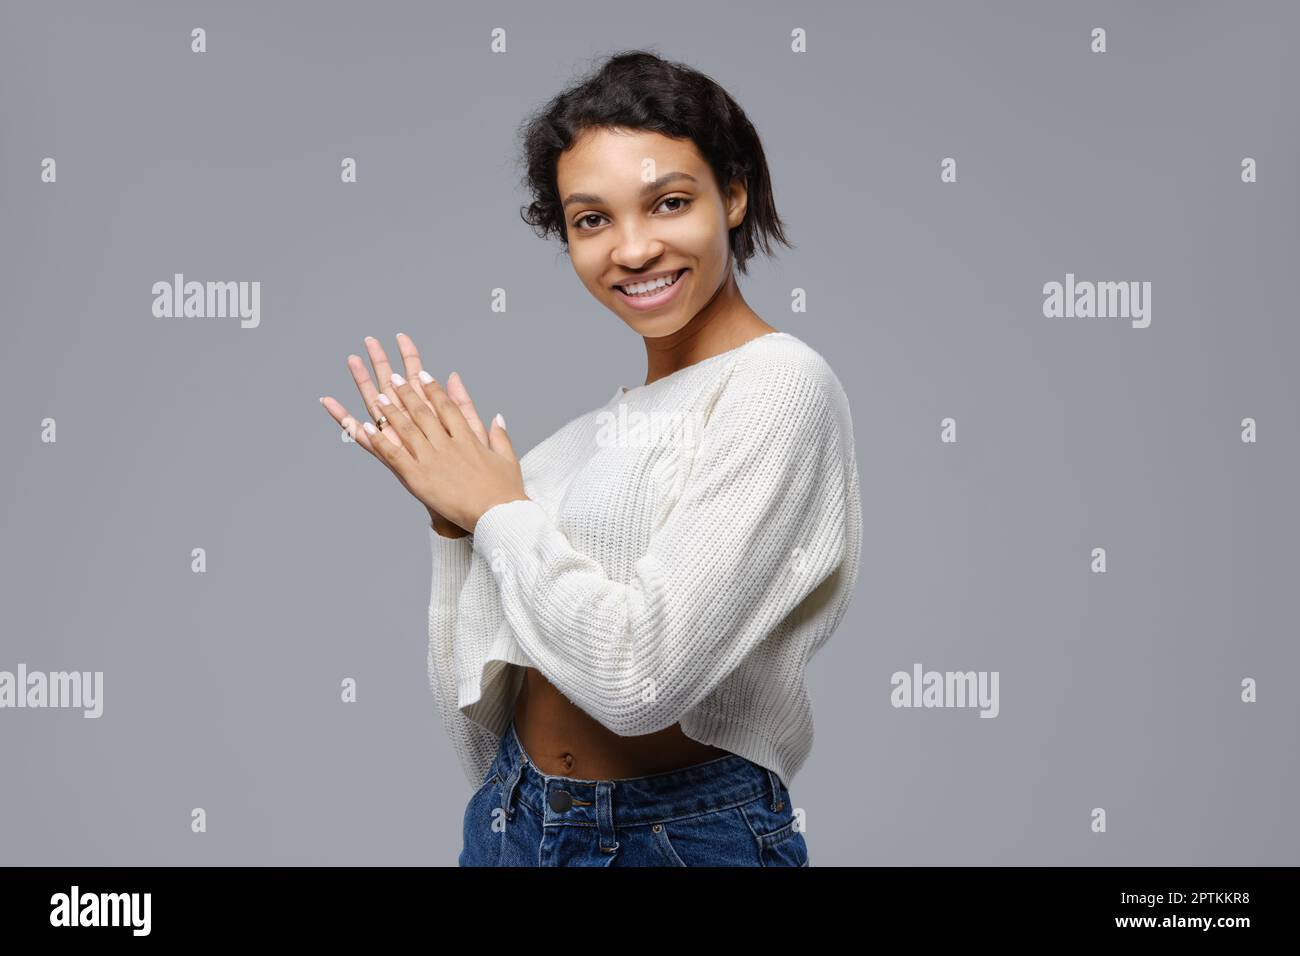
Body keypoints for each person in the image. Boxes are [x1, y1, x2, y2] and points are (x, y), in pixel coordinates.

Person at [319, 50, 862, 866]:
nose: (633, 249)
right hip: (515, 819)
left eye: (669, 203)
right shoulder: (574, 448)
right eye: (592, 219)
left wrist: (498, 511)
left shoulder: (781, 386)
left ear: (735, 194)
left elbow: (638, 683)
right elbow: (477, 735)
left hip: (677, 838)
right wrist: (453, 527)